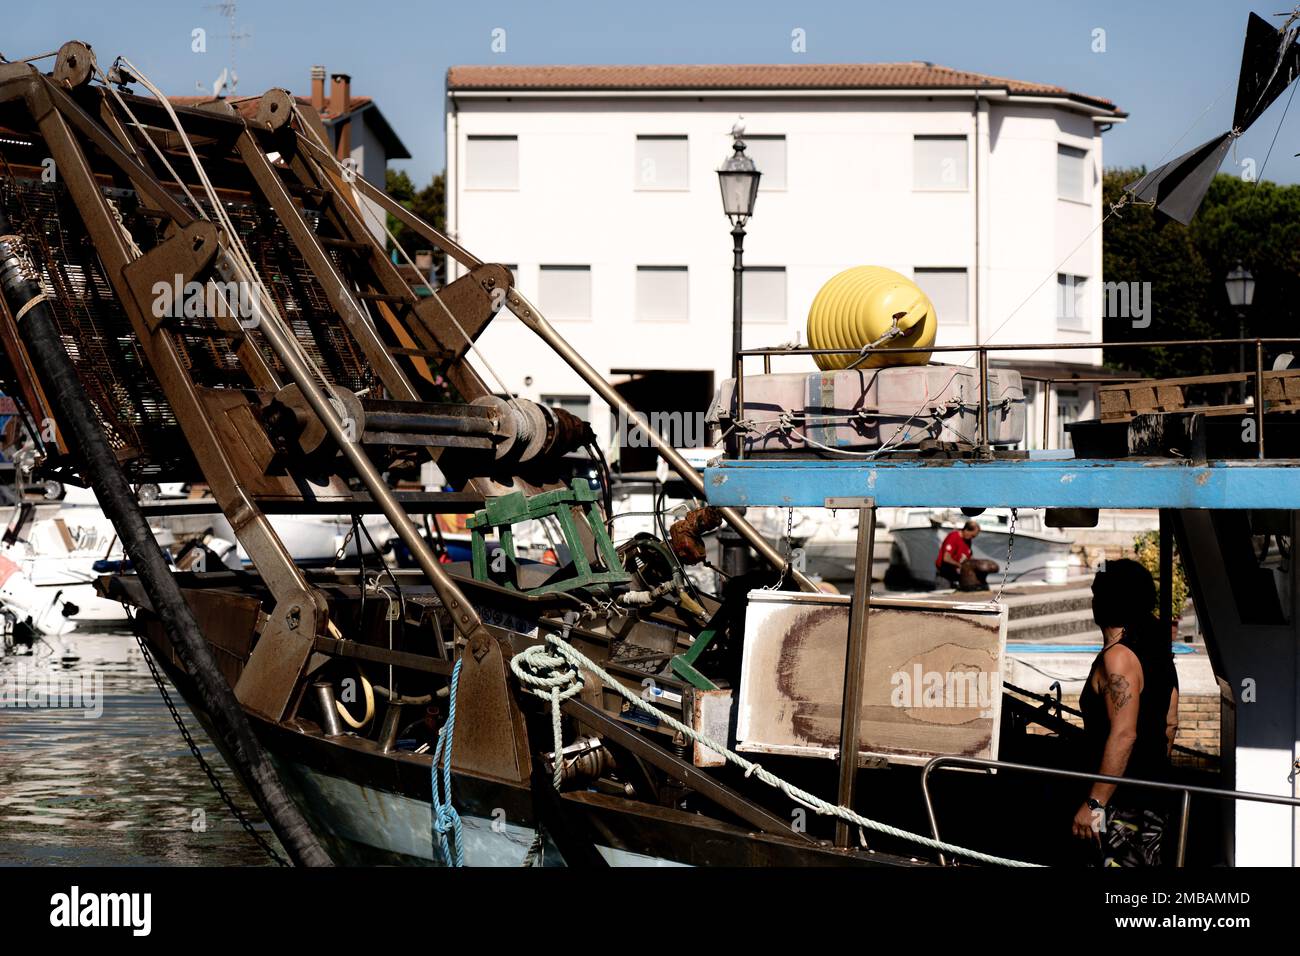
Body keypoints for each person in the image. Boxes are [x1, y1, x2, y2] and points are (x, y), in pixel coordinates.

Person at [1071, 558, 1179, 867]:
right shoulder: (1158, 653)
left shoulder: (1117, 658)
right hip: (1153, 800)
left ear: (1103, 602)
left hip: (1119, 804)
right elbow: (1170, 724)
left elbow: (1124, 733)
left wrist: (1096, 802)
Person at [934, 520, 979, 588]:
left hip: (956, 575)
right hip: (945, 575)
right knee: (944, 596)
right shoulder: (954, 537)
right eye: (972, 536)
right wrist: (960, 566)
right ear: (966, 530)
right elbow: (946, 558)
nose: (972, 538)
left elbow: (969, 557)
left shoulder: (967, 541)